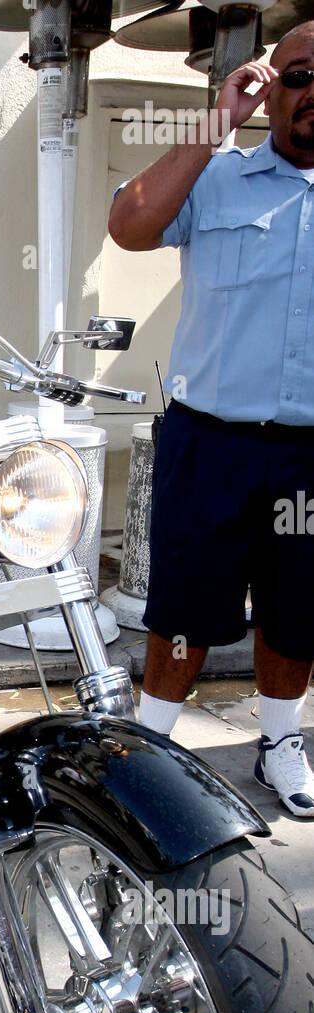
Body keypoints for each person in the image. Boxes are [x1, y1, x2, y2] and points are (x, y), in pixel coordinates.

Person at [109, 23, 314, 817]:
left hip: (308, 457)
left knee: (299, 614)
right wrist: (216, 117)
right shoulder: (220, 177)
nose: (311, 92)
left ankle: (281, 744)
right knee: (183, 615)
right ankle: (152, 743)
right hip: (211, 445)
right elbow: (129, 225)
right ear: (273, 85)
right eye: (298, 74)